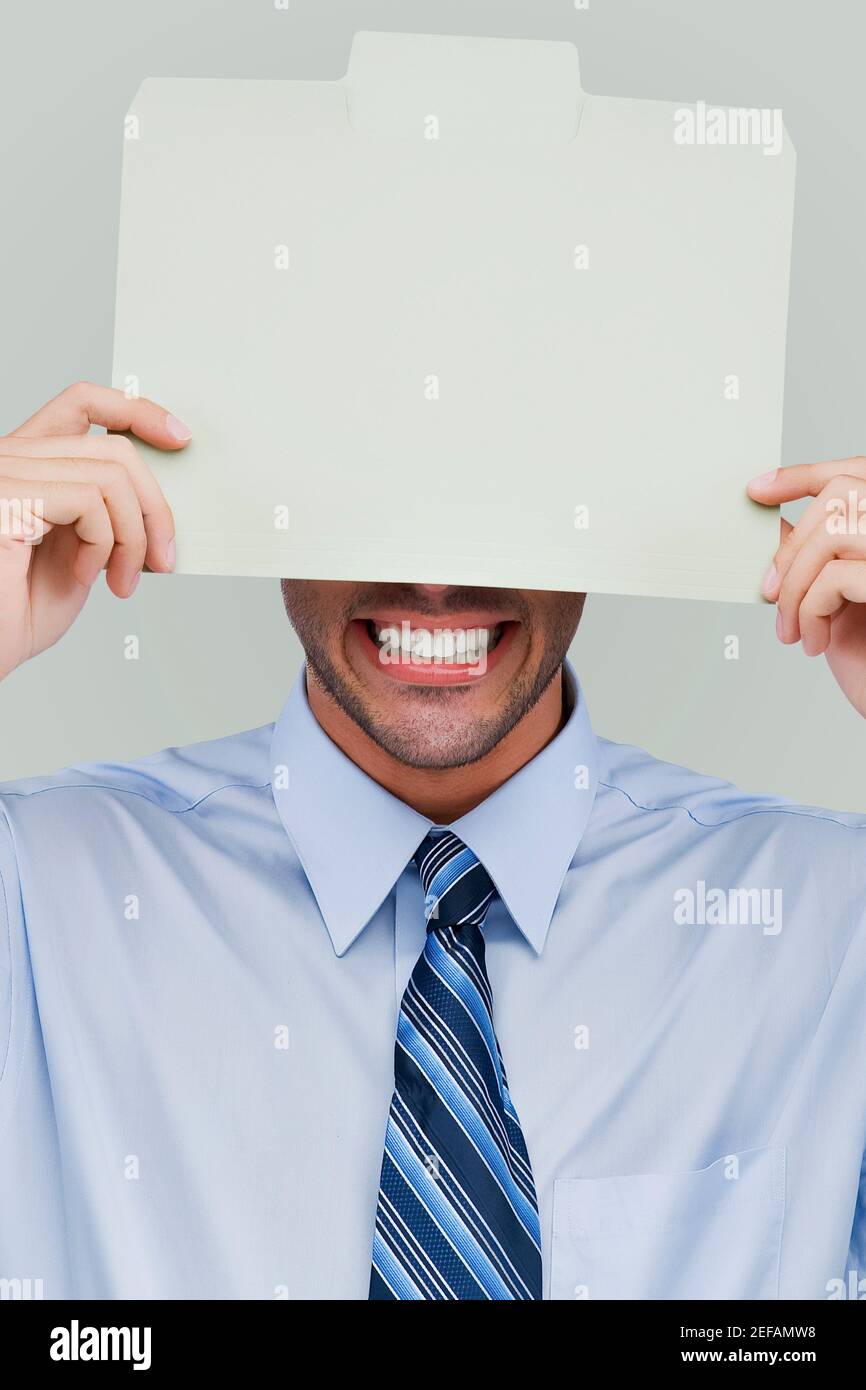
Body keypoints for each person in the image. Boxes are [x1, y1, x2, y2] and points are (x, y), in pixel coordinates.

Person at [0, 382, 864, 1301]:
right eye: (367, 481)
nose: (437, 581)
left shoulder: (829, 922)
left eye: (509, 489)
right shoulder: (40, 890)